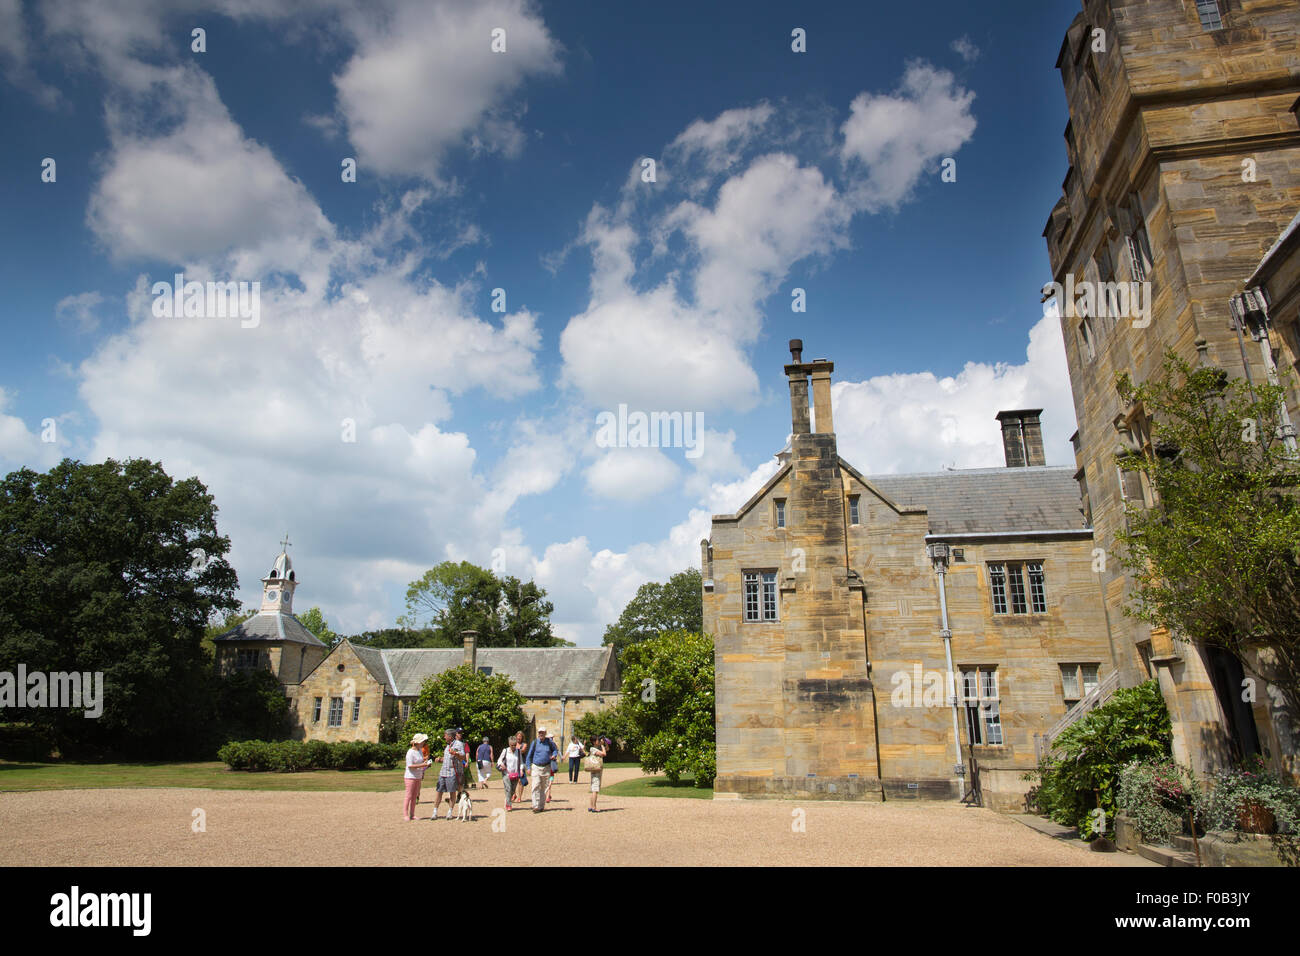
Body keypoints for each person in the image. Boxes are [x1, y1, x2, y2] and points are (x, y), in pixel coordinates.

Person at [525, 726, 560, 812]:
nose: (541, 734)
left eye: (542, 732)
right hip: (536, 766)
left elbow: (555, 750)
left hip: (546, 767)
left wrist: (554, 755)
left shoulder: (549, 742)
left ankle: (541, 806)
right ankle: (535, 805)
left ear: (545, 733)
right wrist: (528, 767)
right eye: (540, 732)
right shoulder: (535, 742)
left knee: (544, 787)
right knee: (535, 785)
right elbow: (529, 755)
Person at [431, 729, 461, 820]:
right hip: (443, 772)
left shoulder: (458, 745)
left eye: (445, 735)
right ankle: (435, 812)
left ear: (450, 737)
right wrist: (440, 759)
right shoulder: (447, 746)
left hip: (451, 772)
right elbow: (447, 758)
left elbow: (461, 757)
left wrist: (455, 753)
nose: (444, 737)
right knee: (439, 791)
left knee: (452, 792)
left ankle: (450, 812)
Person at [404, 732, 431, 821]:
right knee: (409, 795)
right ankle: (405, 814)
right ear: (417, 742)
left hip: (418, 776)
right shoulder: (410, 752)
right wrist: (422, 765)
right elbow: (410, 765)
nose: (423, 743)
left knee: (415, 795)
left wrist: (425, 762)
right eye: (422, 742)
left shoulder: (419, 751)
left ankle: (412, 814)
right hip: (410, 776)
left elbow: (420, 760)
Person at [496, 737, 521, 810]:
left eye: (514, 745)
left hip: (515, 773)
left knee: (512, 790)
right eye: (512, 745)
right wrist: (502, 764)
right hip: (506, 773)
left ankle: (507, 799)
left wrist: (521, 770)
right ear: (509, 744)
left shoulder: (518, 751)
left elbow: (521, 762)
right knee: (508, 788)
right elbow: (499, 760)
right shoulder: (505, 751)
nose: (513, 747)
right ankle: (508, 805)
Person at [586, 736, 608, 813]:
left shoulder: (595, 749)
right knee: (595, 789)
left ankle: (591, 806)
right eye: (598, 740)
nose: (599, 741)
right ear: (594, 742)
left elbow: (607, 750)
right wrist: (602, 745)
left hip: (595, 770)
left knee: (593, 789)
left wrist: (605, 744)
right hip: (596, 771)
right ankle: (594, 807)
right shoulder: (593, 749)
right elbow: (604, 754)